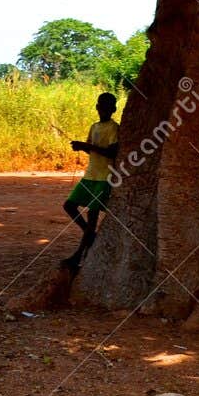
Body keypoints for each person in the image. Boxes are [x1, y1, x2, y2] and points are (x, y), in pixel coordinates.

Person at [62, 92, 119, 272]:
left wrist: (87, 146)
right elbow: (93, 150)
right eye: (101, 105)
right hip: (90, 175)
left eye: (107, 106)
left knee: (92, 216)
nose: (103, 109)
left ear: (113, 109)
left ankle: (78, 255)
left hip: (104, 177)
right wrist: (82, 147)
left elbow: (111, 153)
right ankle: (92, 236)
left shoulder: (114, 128)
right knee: (69, 205)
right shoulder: (94, 127)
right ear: (96, 107)